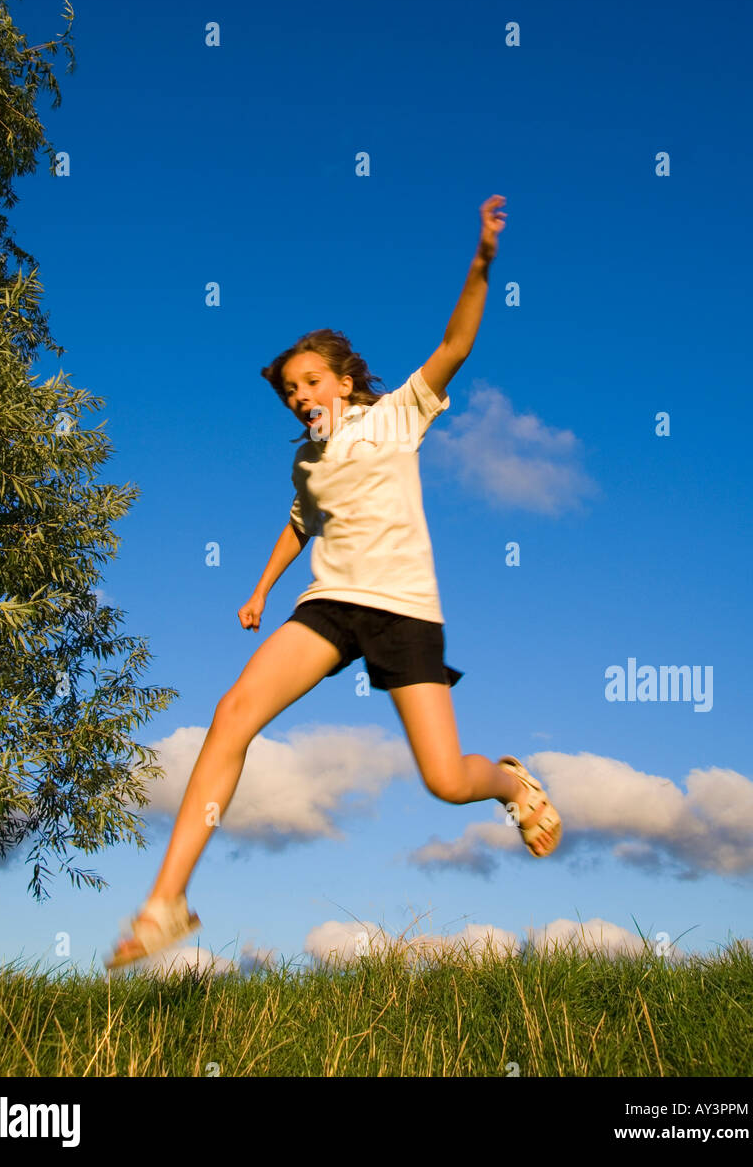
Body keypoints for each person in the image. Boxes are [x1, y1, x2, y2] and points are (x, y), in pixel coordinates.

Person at [105, 196, 561, 969]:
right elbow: (298, 521)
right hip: (325, 608)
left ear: (345, 382)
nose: (300, 395)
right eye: (289, 390)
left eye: (312, 380)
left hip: (403, 610)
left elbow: (455, 343)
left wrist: (482, 261)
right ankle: (167, 902)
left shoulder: (398, 417)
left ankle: (514, 786)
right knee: (232, 714)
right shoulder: (306, 462)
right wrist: (258, 590)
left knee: (447, 782)